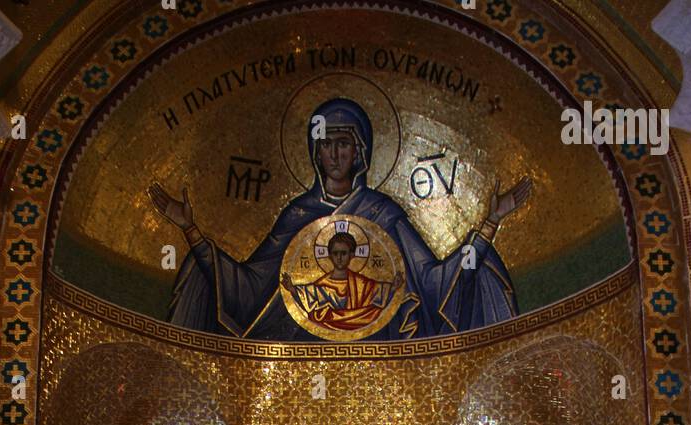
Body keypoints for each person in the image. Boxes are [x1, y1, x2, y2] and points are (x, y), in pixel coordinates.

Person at [148, 97, 529, 340]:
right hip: (297, 370)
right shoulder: (298, 215)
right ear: (315, 151)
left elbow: (433, 283)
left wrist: (489, 225)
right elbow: (249, 289)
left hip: (382, 366)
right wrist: (191, 231)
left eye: (343, 143)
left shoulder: (384, 213)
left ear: (359, 150)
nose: (334, 153)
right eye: (326, 143)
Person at [281, 230, 403, 332]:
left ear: (351, 255)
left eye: (343, 253)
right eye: (335, 253)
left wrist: (393, 287)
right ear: (329, 256)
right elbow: (305, 296)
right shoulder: (320, 285)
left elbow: (380, 292)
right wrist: (292, 289)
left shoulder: (362, 283)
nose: (339, 258)